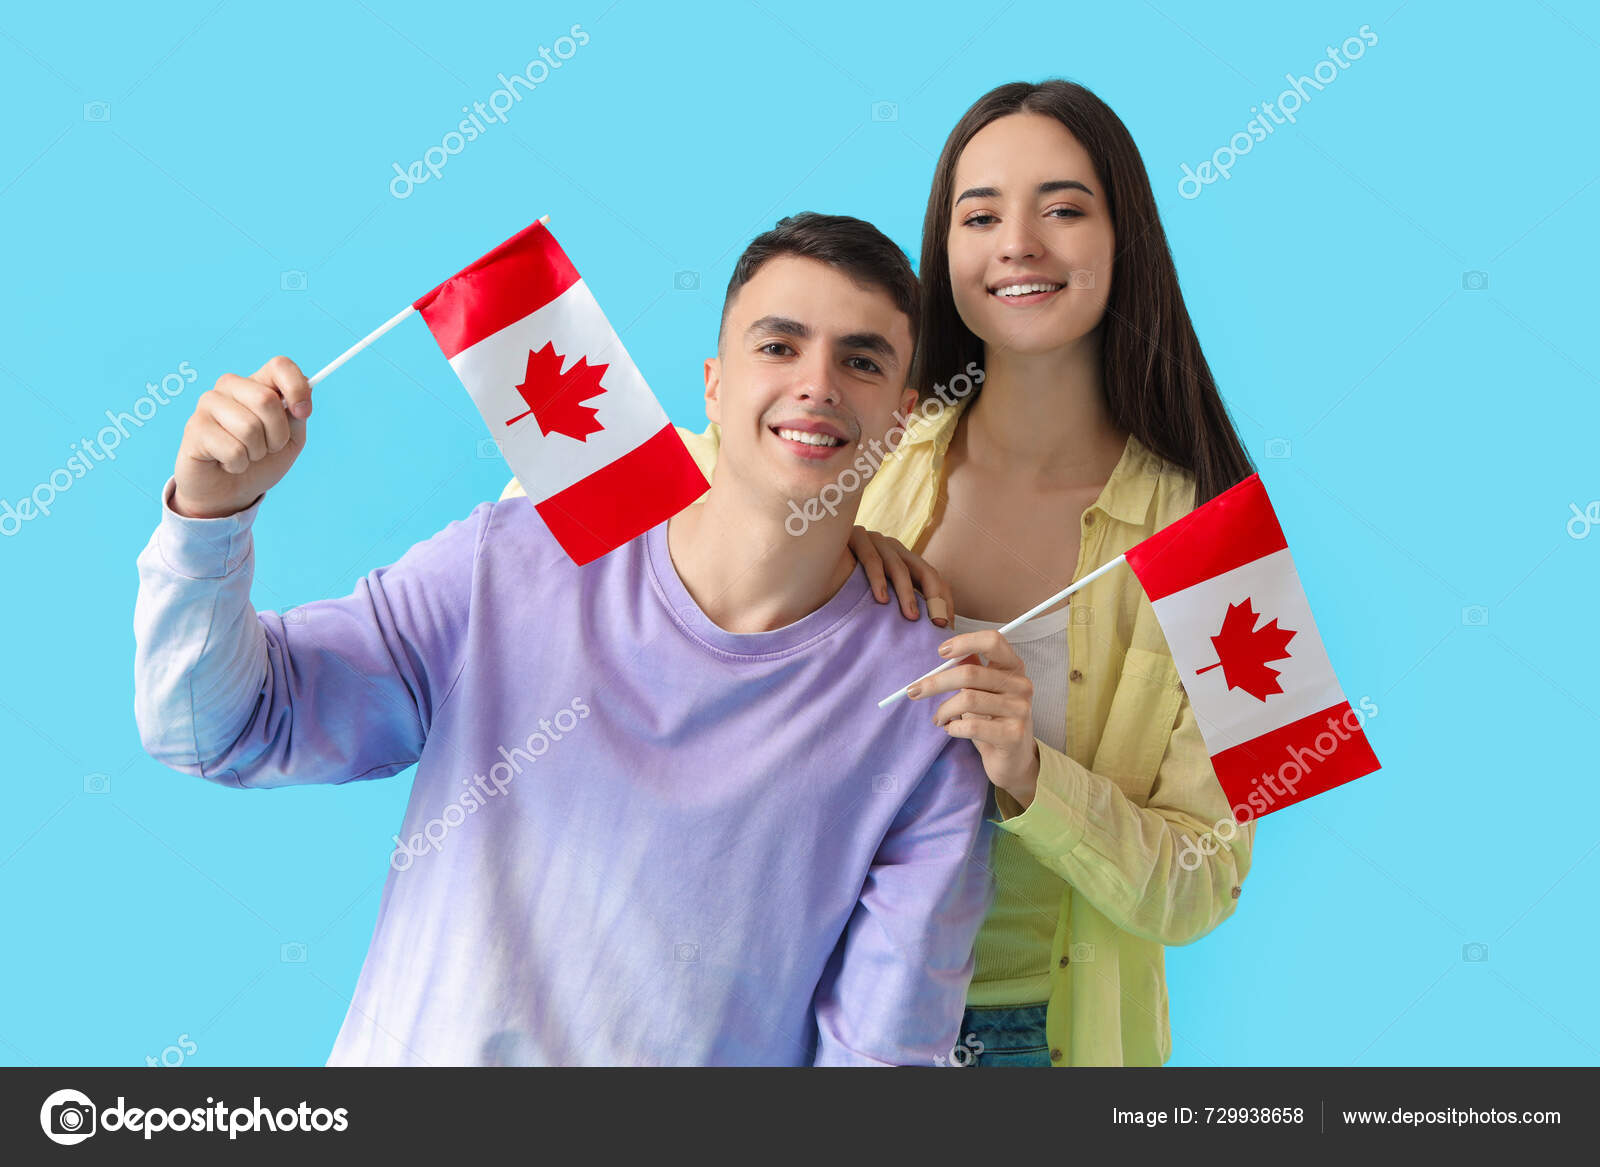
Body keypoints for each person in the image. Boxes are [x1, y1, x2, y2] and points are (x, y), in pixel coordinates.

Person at [504, 80, 1259, 1067]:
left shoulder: (1230, 543)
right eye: (979, 213)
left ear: (1128, 239)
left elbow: (1207, 886)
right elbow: (567, 518)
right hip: (783, 1010)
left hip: (1031, 1044)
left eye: (1064, 208)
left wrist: (1031, 776)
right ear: (944, 251)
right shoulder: (853, 435)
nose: (1018, 242)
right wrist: (806, 531)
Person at [133, 212, 996, 1067]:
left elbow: (882, 1061)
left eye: (861, 360)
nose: (818, 384)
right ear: (714, 386)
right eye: (778, 346)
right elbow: (218, 727)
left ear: (903, 418)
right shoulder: (511, 560)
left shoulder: (926, 708)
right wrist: (210, 515)